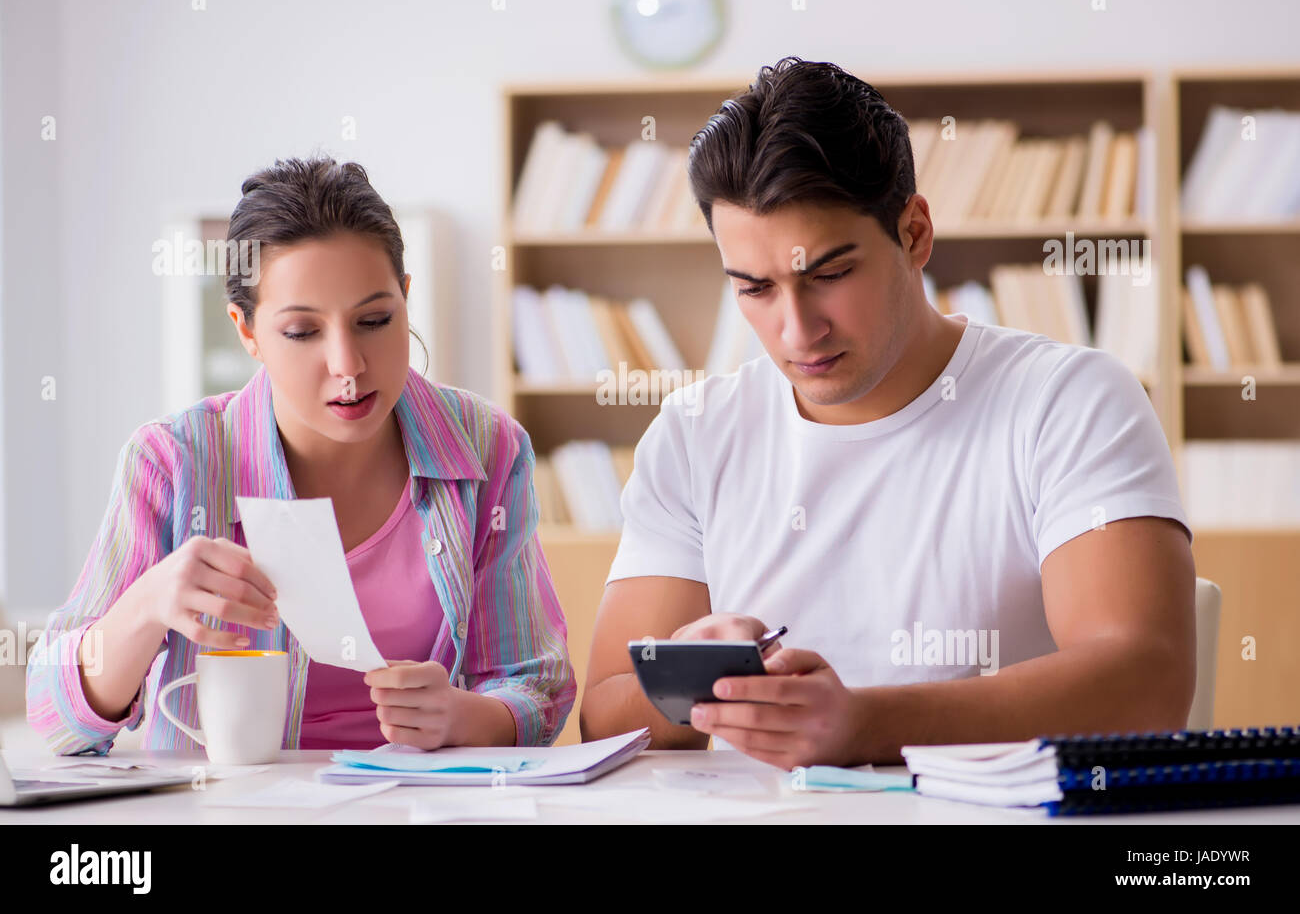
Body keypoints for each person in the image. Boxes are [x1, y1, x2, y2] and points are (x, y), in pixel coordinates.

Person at [579, 57, 1196, 770]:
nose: (797, 330)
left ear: (914, 233)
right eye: (754, 288)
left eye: (831, 275)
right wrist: (691, 678)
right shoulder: (695, 433)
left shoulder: (1070, 400)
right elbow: (605, 715)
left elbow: (1147, 682)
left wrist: (864, 724)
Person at [27, 155, 575, 755]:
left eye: (374, 319)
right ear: (246, 330)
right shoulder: (173, 461)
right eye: (301, 332)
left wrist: (463, 717)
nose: (348, 365)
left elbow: (537, 686)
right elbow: (53, 721)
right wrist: (146, 605)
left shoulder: (488, 448)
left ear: (406, 299)